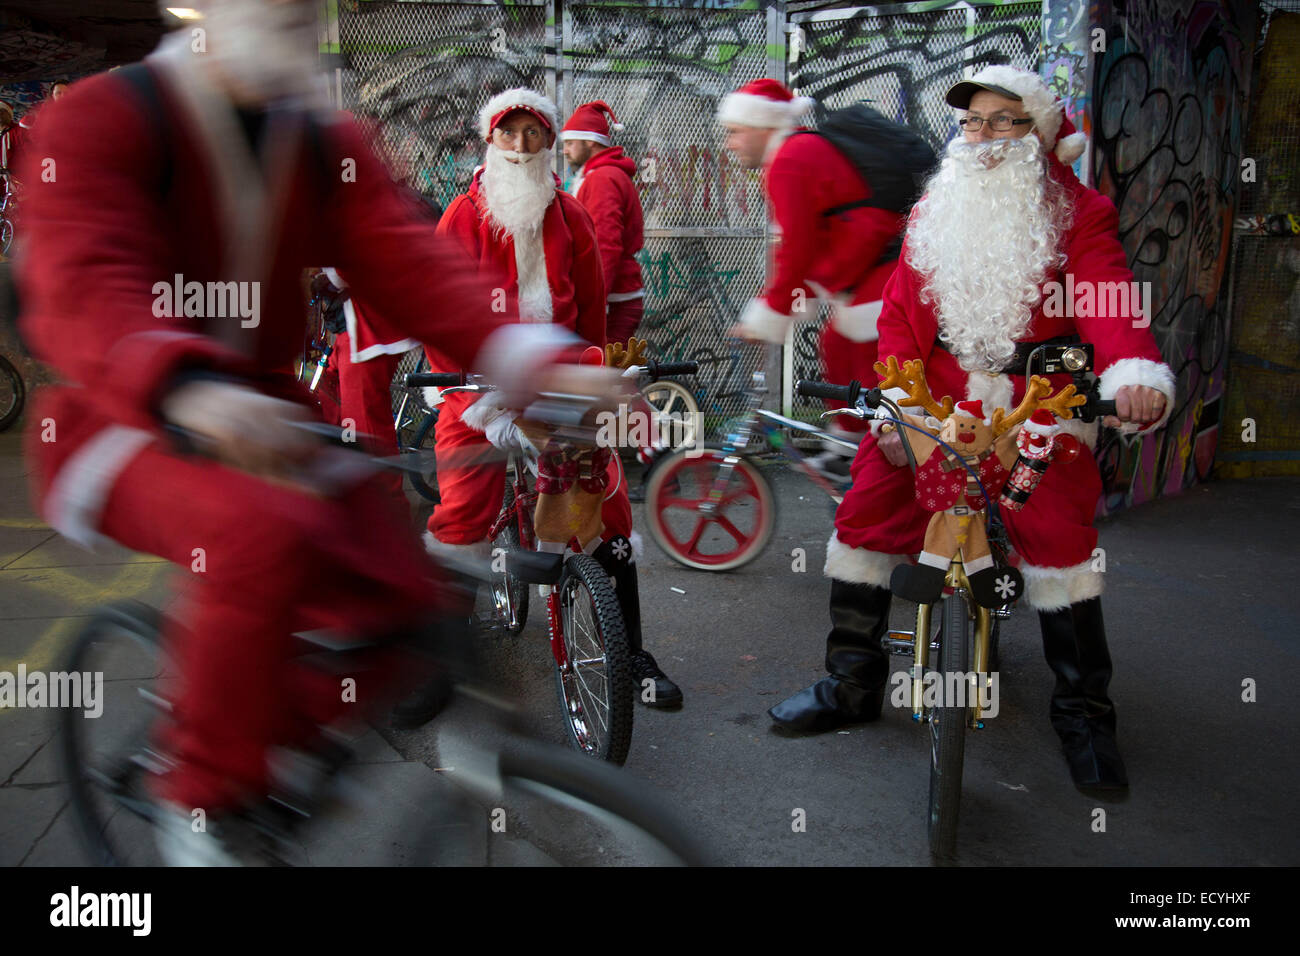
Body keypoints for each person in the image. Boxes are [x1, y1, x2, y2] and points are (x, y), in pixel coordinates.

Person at [15, 0, 604, 864]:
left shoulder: (318, 143)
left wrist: (528, 357)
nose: (294, 22)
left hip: (263, 417)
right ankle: (202, 805)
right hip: (120, 414)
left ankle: (263, 735)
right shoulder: (102, 118)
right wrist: (180, 383)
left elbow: (400, 258)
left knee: (400, 584)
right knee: (260, 533)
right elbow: (81, 279)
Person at [765, 65, 1176, 793]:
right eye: (972, 122)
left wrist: (1134, 373)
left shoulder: (1081, 214)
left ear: (1040, 135)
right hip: (934, 396)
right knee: (864, 515)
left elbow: (1109, 299)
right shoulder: (934, 210)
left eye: (1003, 121)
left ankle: (1084, 716)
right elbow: (898, 317)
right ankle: (852, 685)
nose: (982, 136)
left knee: (1059, 542)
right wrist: (898, 405)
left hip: (1035, 404)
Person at [427, 88, 682, 708]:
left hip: (560, 383)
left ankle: (627, 651)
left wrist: (596, 375)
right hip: (476, 389)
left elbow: (591, 315)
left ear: (549, 143)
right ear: (490, 142)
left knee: (608, 502)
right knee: (462, 510)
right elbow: (436, 313)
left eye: (533, 134)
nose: (520, 146)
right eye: (508, 134)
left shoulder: (572, 216)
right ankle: (436, 661)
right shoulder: (462, 215)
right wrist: (459, 387)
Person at [721, 78, 908, 473]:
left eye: (736, 132)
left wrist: (766, 320)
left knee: (863, 365)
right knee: (839, 347)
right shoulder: (797, 153)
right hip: (872, 270)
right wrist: (779, 310)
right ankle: (851, 451)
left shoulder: (790, 160)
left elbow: (797, 251)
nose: (731, 143)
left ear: (763, 126)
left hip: (882, 271)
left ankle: (870, 463)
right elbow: (809, 248)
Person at [559, 100, 646, 346]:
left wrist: (594, 302)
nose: (565, 151)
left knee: (602, 375)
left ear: (590, 141)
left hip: (612, 301)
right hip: (615, 297)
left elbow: (605, 245)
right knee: (605, 375)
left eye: (570, 143)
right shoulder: (605, 175)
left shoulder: (602, 179)